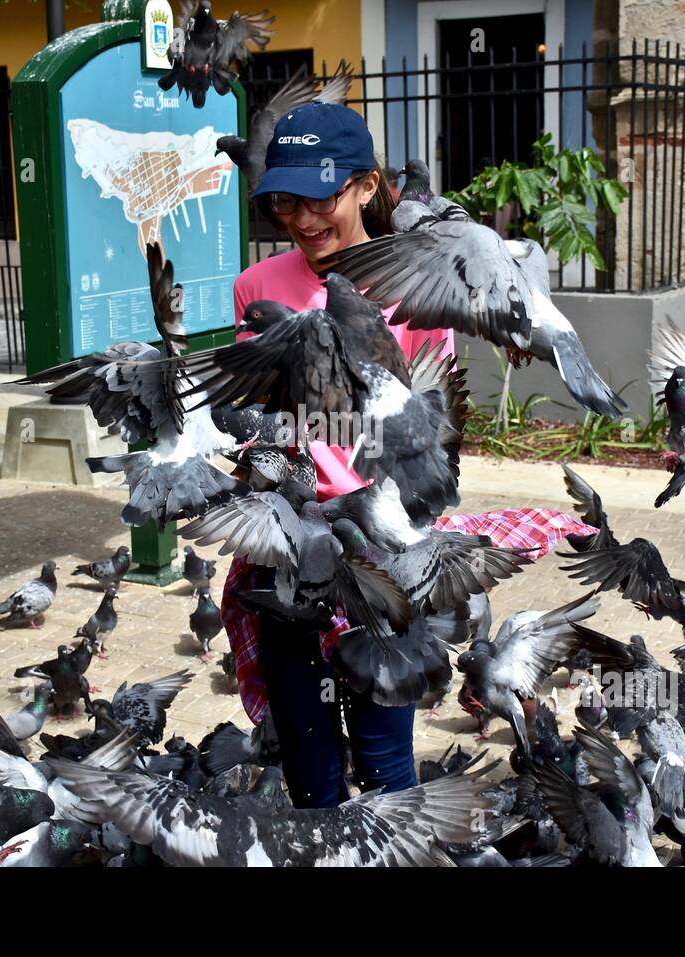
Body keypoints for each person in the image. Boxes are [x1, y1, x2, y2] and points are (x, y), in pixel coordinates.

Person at [223, 102, 453, 809]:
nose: (304, 216)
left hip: (384, 554)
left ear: (366, 185)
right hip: (291, 556)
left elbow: (430, 439)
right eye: (287, 200)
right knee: (309, 764)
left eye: (322, 195)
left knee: (386, 760)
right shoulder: (257, 288)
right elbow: (250, 420)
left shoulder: (417, 288)